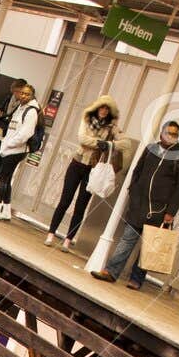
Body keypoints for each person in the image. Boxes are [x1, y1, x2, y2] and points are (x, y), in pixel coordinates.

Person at [91, 121, 179, 288]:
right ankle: (111, 271)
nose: (171, 137)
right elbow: (138, 170)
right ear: (161, 134)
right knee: (127, 238)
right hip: (139, 204)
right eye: (169, 133)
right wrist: (134, 190)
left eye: (175, 134)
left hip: (160, 209)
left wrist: (171, 211)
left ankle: (136, 279)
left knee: (149, 245)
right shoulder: (151, 149)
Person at [44, 95, 123, 249]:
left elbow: (118, 144)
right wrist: (100, 143)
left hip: (93, 168)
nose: (104, 111)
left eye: (107, 109)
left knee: (81, 206)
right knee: (65, 201)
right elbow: (82, 139)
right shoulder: (86, 120)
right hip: (77, 163)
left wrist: (104, 143)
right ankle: (51, 234)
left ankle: (67, 240)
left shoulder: (111, 127)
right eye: (101, 107)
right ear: (96, 107)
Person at [0, 82, 38, 220]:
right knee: (6, 179)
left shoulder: (31, 111)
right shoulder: (20, 107)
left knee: (3, 179)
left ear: (32, 96)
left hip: (16, 150)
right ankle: (5, 211)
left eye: (27, 94)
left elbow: (26, 133)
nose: (23, 96)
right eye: (22, 93)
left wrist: (9, 144)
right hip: (10, 148)